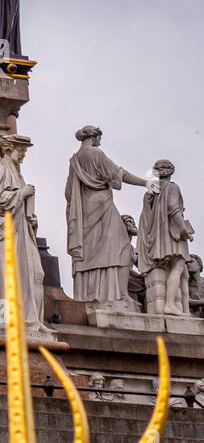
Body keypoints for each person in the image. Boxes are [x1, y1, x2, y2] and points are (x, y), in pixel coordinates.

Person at [65, 126, 149, 309]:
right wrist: (145, 183)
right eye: (99, 138)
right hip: (103, 207)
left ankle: (93, 294)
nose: (100, 142)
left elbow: (69, 193)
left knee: (90, 252)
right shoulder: (96, 154)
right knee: (123, 248)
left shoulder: (75, 161)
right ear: (93, 137)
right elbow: (119, 174)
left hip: (85, 212)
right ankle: (119, 295)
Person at [0, 134, 45, 327]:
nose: (24, 155)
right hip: (4, 233)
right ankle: (3, 319)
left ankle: (27, 318)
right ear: (8, 149)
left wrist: (31, 219)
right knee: (4, 275)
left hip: (21, 232)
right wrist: (22, 193)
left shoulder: (18, 175)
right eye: (21, 150)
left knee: (34, 274)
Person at [138, 160, 194, 317]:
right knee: (179, 265)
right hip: (173, 234)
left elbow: (146, 216)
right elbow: (173, 208)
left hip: (157, 235)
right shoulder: (172, 187)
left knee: (172, 268)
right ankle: (170, 305)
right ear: (170, 171)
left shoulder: (151, 191)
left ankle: (170, 304)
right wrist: (184, 230)